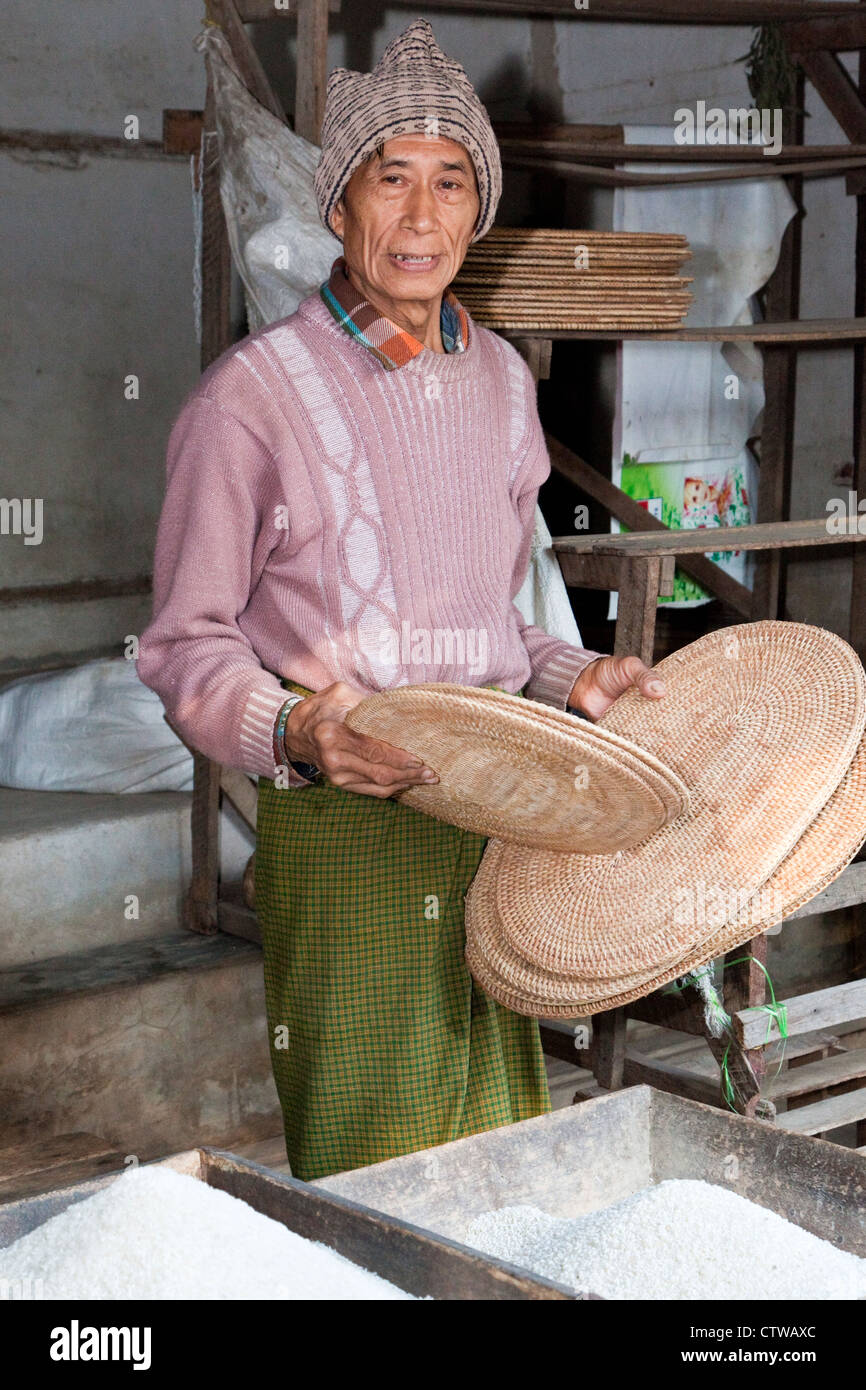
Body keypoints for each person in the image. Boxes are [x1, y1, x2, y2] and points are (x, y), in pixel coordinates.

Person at [137, 19, 665, 1180]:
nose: (421, 218)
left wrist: (569, 675)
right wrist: (297, 729)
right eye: (391, 181)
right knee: (377, 1164)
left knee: (502, 1151)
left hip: (492, 814)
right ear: (339, 206)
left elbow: (489, 615)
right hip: (345, 824)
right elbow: (183, 646)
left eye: (450, 184)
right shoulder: (250, 400)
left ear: (477, 214)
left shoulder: (498, 385)